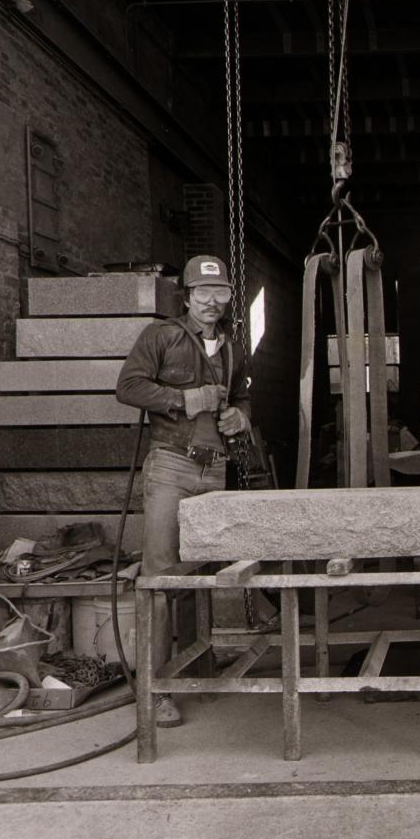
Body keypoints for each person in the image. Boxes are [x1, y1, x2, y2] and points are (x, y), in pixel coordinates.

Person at [116, 255, 251, 727]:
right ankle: (155, 692)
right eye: (203, 292)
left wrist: (241, 416)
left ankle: (195, 671)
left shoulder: (233, 349)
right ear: (187, 296)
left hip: (214, 470)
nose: (212, 301)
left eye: (221, 292)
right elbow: (128, 387)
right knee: (159, 577)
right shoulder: (162, 336)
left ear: (229, 297)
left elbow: (242, 396)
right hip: (172, 466)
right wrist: (182, 398)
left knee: (199, 576)